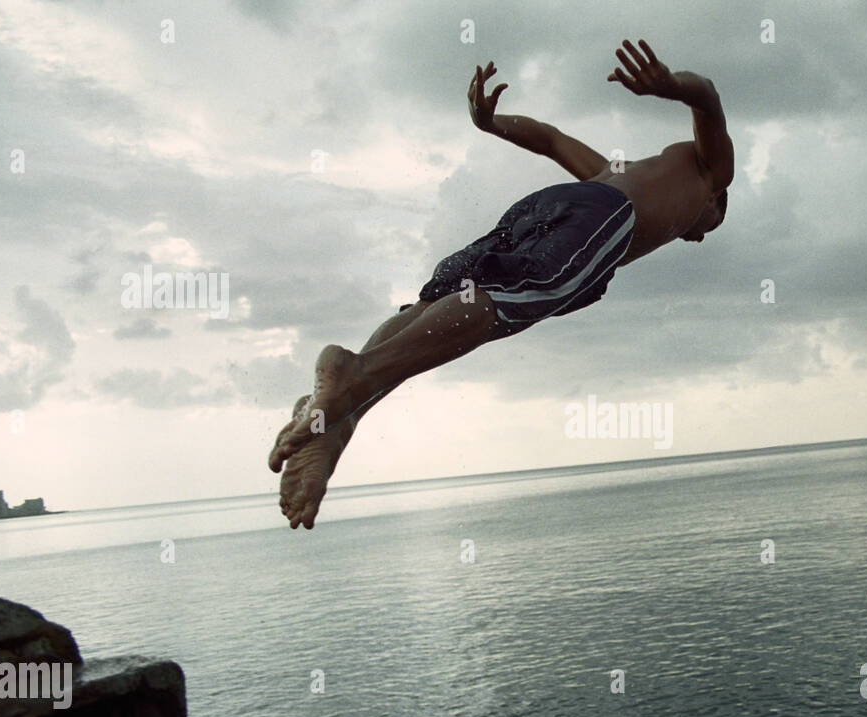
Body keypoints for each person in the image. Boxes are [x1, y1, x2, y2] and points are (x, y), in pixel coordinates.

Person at [270, 39, 734, 528]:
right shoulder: (711, 175)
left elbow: (552, 139)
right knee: (505, 304)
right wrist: (671, 86)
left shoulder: (614, 171)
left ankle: (341, 420)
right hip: (600, 217)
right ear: (716, 199)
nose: (696, 235)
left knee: (439, 303)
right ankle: (353, 376)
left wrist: (490, 123)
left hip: (548, 204)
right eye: (705, 227)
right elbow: (708, 96)